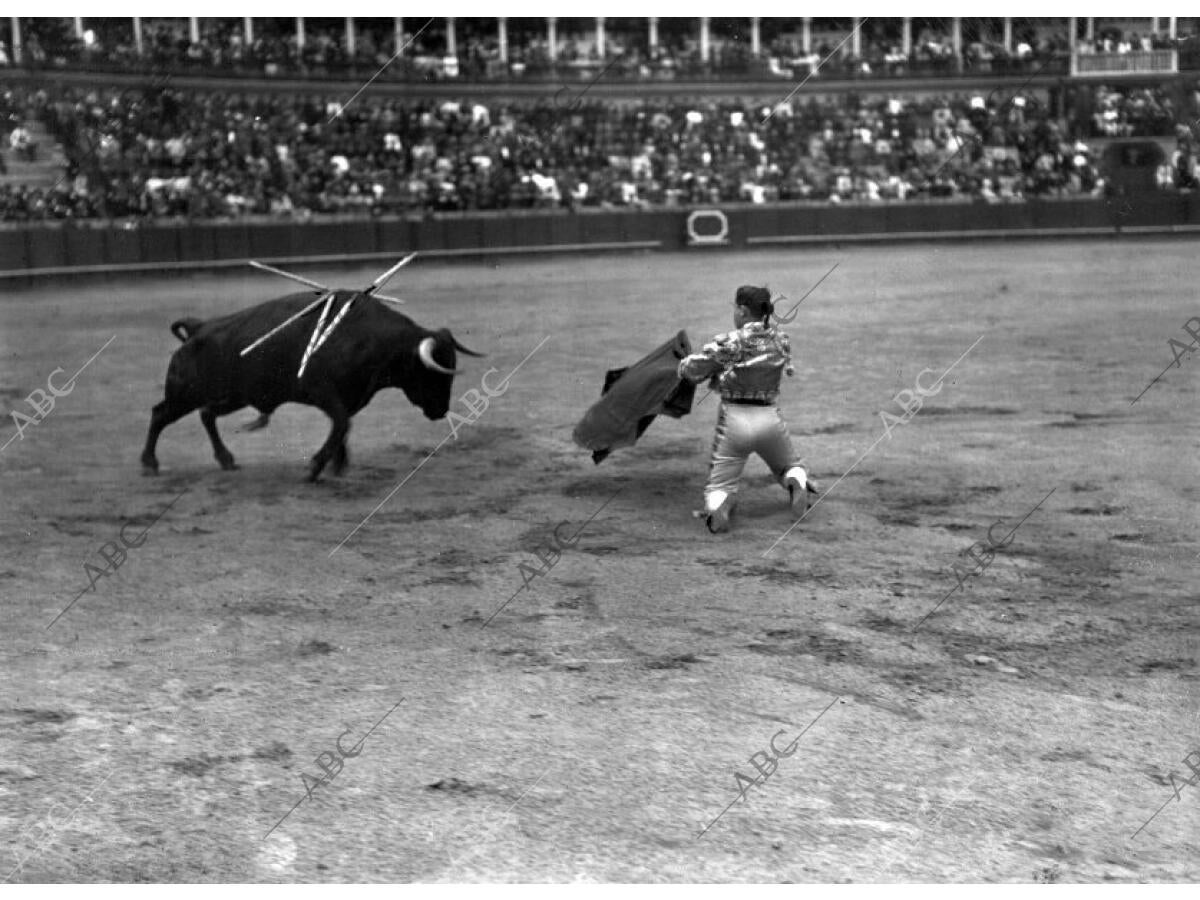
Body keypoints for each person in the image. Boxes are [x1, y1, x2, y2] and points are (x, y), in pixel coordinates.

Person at [678, 285, 814, 533]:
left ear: (742, 311)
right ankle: (797, 480)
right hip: (770, 420)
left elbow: (693, 370)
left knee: (720, 485)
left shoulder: (730, 342)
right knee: (788, 465)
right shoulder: (781, 340)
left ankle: (719, 504)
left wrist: (682, 364)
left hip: (734, 422)